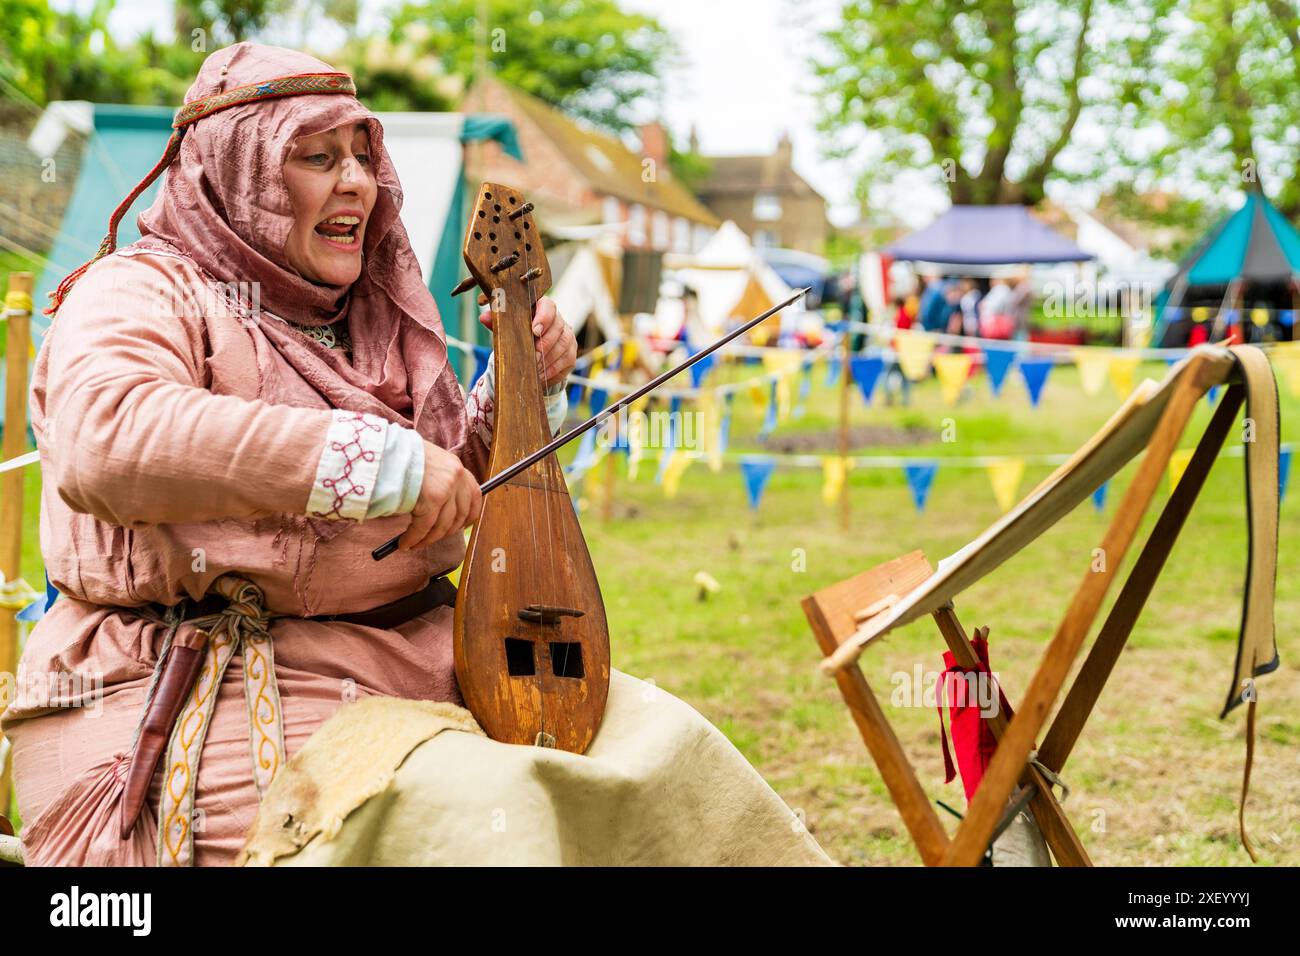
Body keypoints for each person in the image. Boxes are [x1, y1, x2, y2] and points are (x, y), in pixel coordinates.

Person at [1, 43, 579, 866]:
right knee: (487, 826)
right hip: (206, 678)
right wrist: (378, 463)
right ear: (238, 172)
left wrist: (525, 384)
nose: (357, 182)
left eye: (364, 157)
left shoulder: (371, 315)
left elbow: (450, 483)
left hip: (421, 666)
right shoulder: (140, 290)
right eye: (317, 157)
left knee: (652, 760)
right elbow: (110, 439)